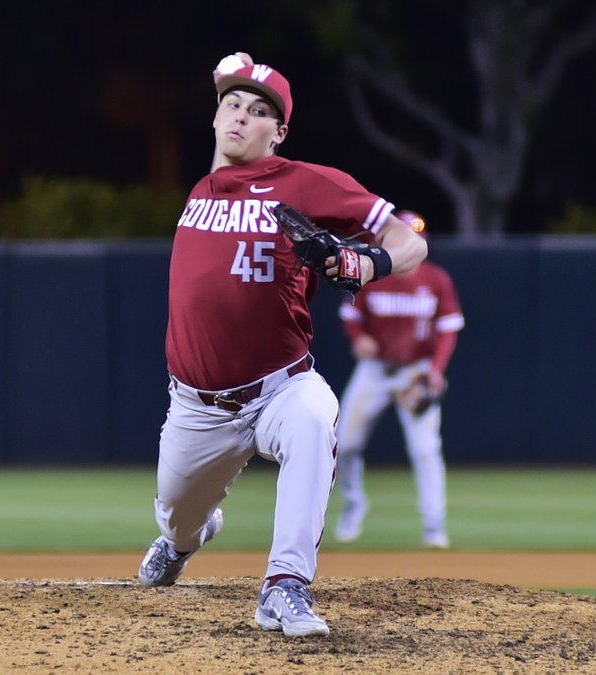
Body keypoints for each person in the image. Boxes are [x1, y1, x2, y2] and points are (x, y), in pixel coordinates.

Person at [137, 52, 428, 637]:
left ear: (280, 131)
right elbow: (225, 112)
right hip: (196, 407)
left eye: (258, 110)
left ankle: (285, 585)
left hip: (279, 389)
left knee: (316, 417)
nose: (241, 116)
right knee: (178, 517)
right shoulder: (205, 186)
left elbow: (409, 243)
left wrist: (364, 262)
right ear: (215, 116)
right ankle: (184, 539)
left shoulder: (304, 183)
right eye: (232, 105)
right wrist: (226, 76)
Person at [333, 210, 464, 549]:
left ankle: (434, 525)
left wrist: (436, 370)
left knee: (426, 450)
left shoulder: (436, 279)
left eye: (416, 236)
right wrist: (359, 337)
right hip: (375, 370)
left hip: (415, 372)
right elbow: (351, 316)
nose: (411, 240)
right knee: (345, 443)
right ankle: (353, 504)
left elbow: (448, 330)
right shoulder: (371, 274)